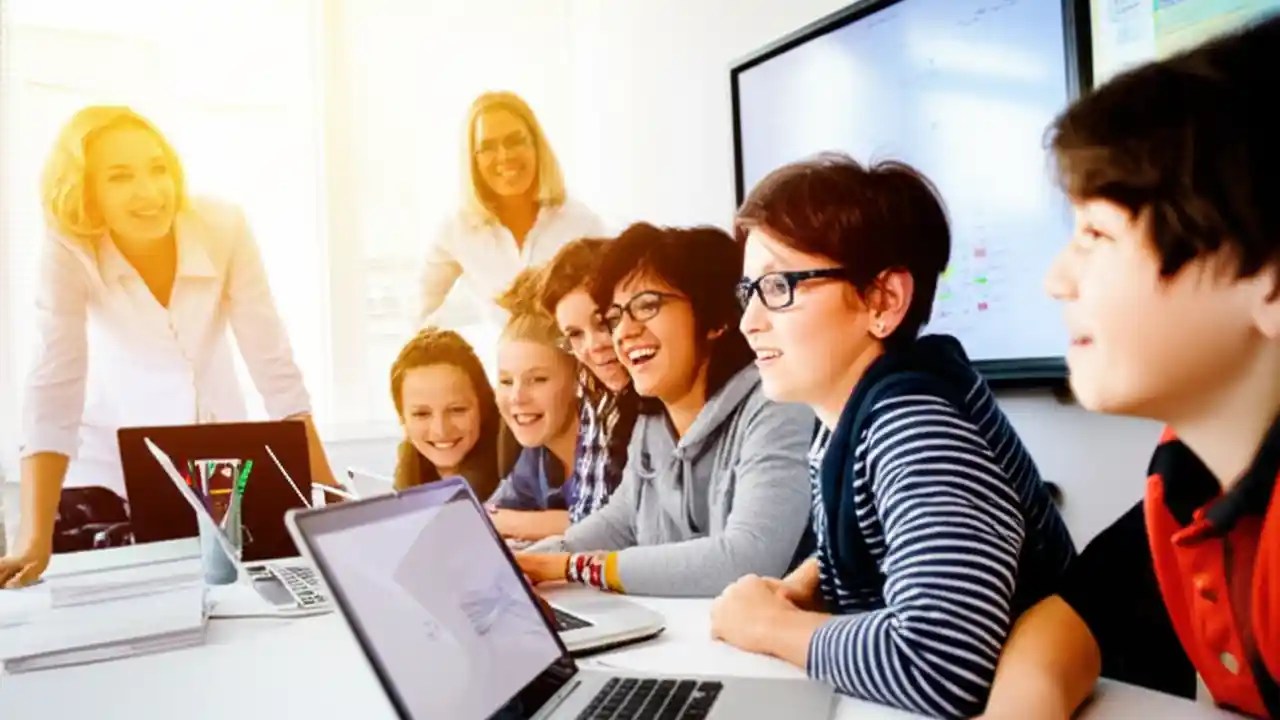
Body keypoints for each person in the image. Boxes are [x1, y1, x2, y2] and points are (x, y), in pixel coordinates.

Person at [980, 16, 1280, 720]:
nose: (1057, 279)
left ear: (1268, 281)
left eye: (1096, 235)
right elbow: (1070, 621)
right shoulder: (1191, 471)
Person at [706, 153, 1076, 719]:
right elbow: (877, 551)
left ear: (883, 301)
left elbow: (941, 662)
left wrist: (770, 625)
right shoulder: (848, 421)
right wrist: (809, 584)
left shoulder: (914, 423)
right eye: (749, 290)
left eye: (779, 286)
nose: (748, 321)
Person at [0, 106, 337, 588]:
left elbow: (273, 365)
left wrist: (325, 495)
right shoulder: (68, 246)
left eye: (158, 168)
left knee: (229, 596)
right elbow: (53, 386)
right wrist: (34, 537)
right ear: (87, 190)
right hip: (109, 470)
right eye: (120, 177)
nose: (150, 192)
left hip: (218, 462)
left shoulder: (223, 226)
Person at [516, 223, 813, 597]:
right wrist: (520, 567)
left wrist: (573, 567)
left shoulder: (777, 406)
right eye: (616, 316)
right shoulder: (651, 421)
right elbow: (617, 525)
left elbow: (748, 558)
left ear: (716, 318)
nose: (623, 332)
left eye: (647, 306)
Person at [418, 91, 605, 327]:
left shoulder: (582, 224)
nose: (504, 156)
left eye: (515, 140)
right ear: (473, 160)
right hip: (504, 362)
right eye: (487, 147)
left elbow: (611, 308)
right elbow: (420, 311)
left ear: (536, 146)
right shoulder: (458, 229)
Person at [537, 237, 639, 523]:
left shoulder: (658, 404)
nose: (593, 347)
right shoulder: (597, 395)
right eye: (575, 335)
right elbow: (585, 516)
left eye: (603, 323)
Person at [485, 269, 582, 542]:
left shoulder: (613, 447)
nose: (517, 397)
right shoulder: (537, 457)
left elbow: (605, 523)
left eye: (537, 379)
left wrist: (506, 522)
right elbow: (488, 513)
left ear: (578, 379)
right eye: (505, 381)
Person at [389, 327, 504, 500]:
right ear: (402, 418)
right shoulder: (410, 467)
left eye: (457, 410)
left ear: (483, 407)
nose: (441, 430)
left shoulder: (516, 473)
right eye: (421, 414)